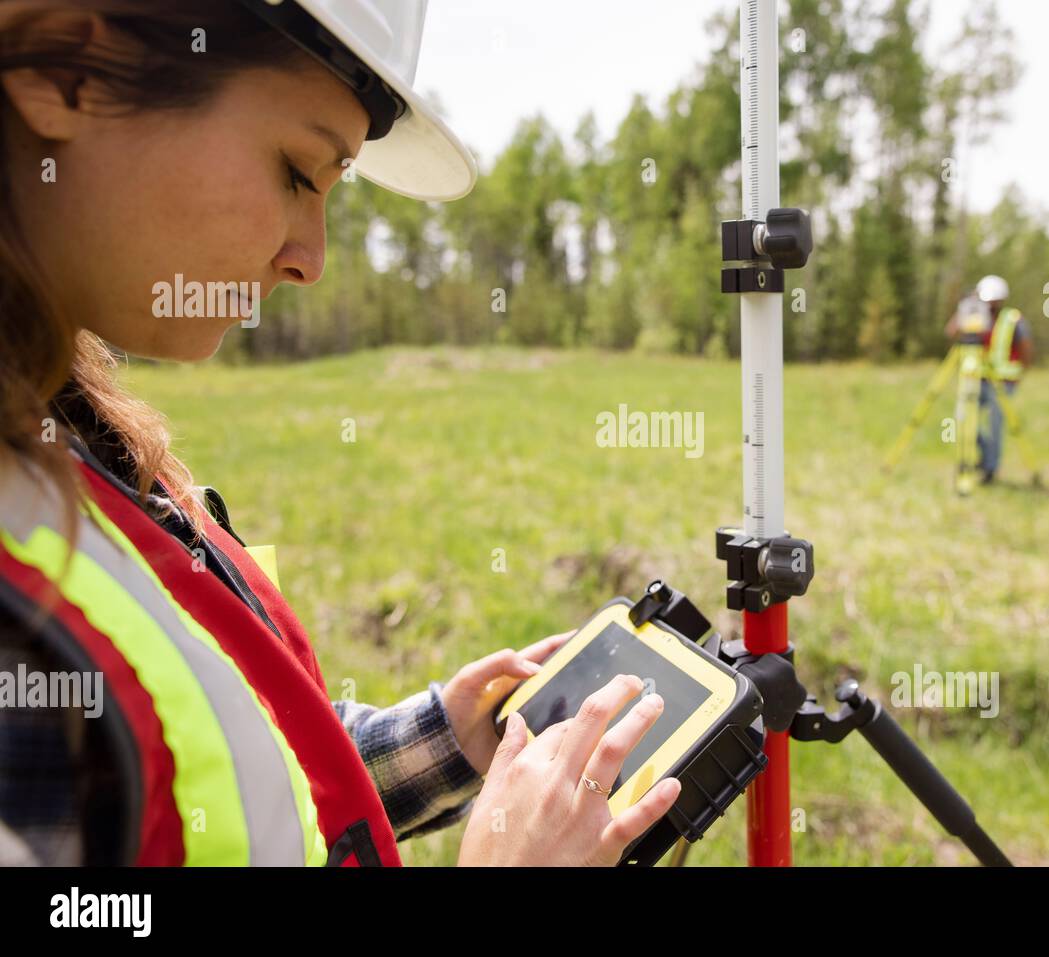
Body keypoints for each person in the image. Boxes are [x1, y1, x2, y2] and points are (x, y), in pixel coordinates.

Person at [0, 0, 680, 866]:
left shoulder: (79, 443)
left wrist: (444, 736)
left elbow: (240, 785)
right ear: (68, 73)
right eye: (296, 170)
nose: (310, 259)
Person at [946, 275, 1033, 484]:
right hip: (980, 379)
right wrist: (966, 308)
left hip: (1004, 382)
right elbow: (951, 332)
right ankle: (985, 458)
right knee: (962, 417)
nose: (990, 305)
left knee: (995, 425)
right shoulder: (977, 316)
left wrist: (1020, 375)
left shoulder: (1013, 319)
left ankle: (990, 470)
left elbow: (1027, 349)